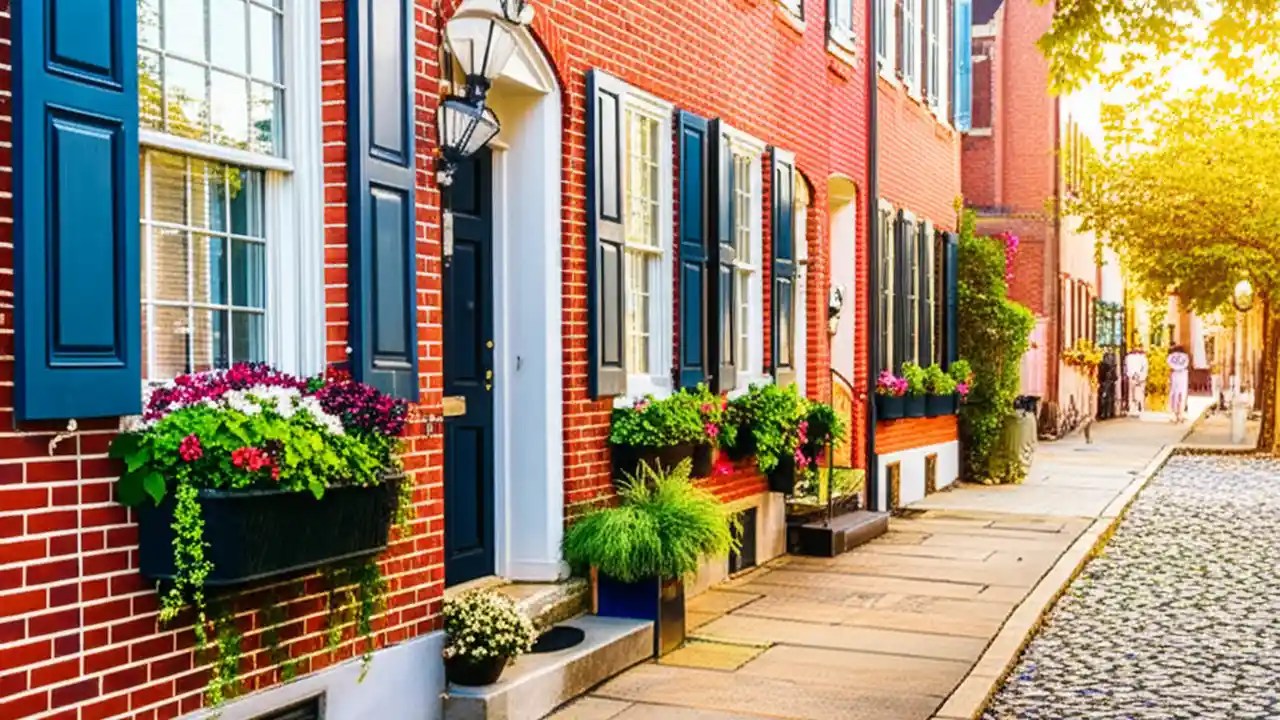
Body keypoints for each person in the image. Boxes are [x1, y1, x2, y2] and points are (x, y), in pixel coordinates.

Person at [1167, 344, 1191, 423]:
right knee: (1182, 395)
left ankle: (1174, 414)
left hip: (1174, 375)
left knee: (1174, 394)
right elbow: (1187, 365)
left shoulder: (1171, 356)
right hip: (1183, 375)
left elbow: (1169, 365)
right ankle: (1181, 414)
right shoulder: (1185, 356)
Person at [1124, 348, 1148, 415]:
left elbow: (1127, 367)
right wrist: (1141, 376)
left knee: (1131, 393)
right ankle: (1140, 406)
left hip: (1132, 376)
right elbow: (1145, 368)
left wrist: (1131, 374)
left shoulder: (1128, 357)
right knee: (1140, 392)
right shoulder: (1143, 358)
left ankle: (1132, 407)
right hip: (1140, 377)